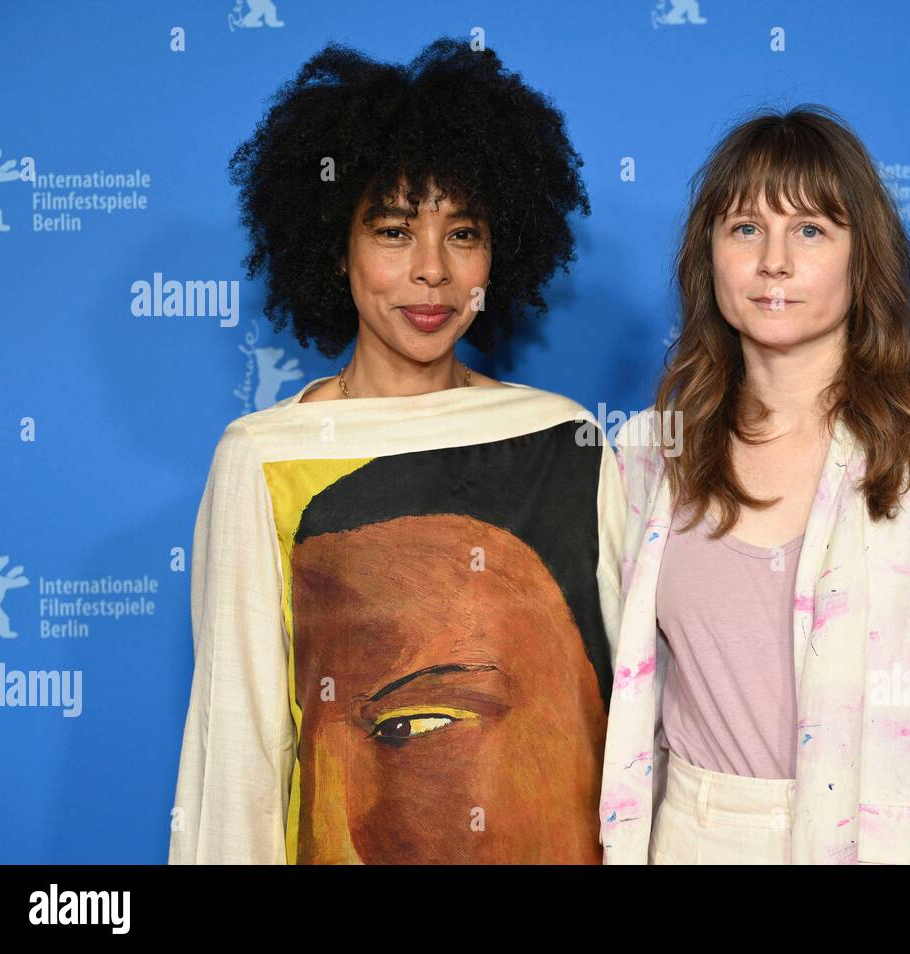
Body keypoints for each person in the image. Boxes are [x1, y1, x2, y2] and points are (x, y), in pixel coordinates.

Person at [168, 38, 624, 863]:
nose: (431, 273)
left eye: (463, 234)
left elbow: (632, 730)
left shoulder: (568, 442)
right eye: (391, 231)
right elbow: (238, 744)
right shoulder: (264, 456)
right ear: (333, 249)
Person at [598, 105, 910, 865]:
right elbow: (637, 704)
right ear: (708, 256)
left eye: (810, 230)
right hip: (696, 836)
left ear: (861, 256)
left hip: (889, 842)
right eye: (745, 228)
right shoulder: (648, 451)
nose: (774, 261)